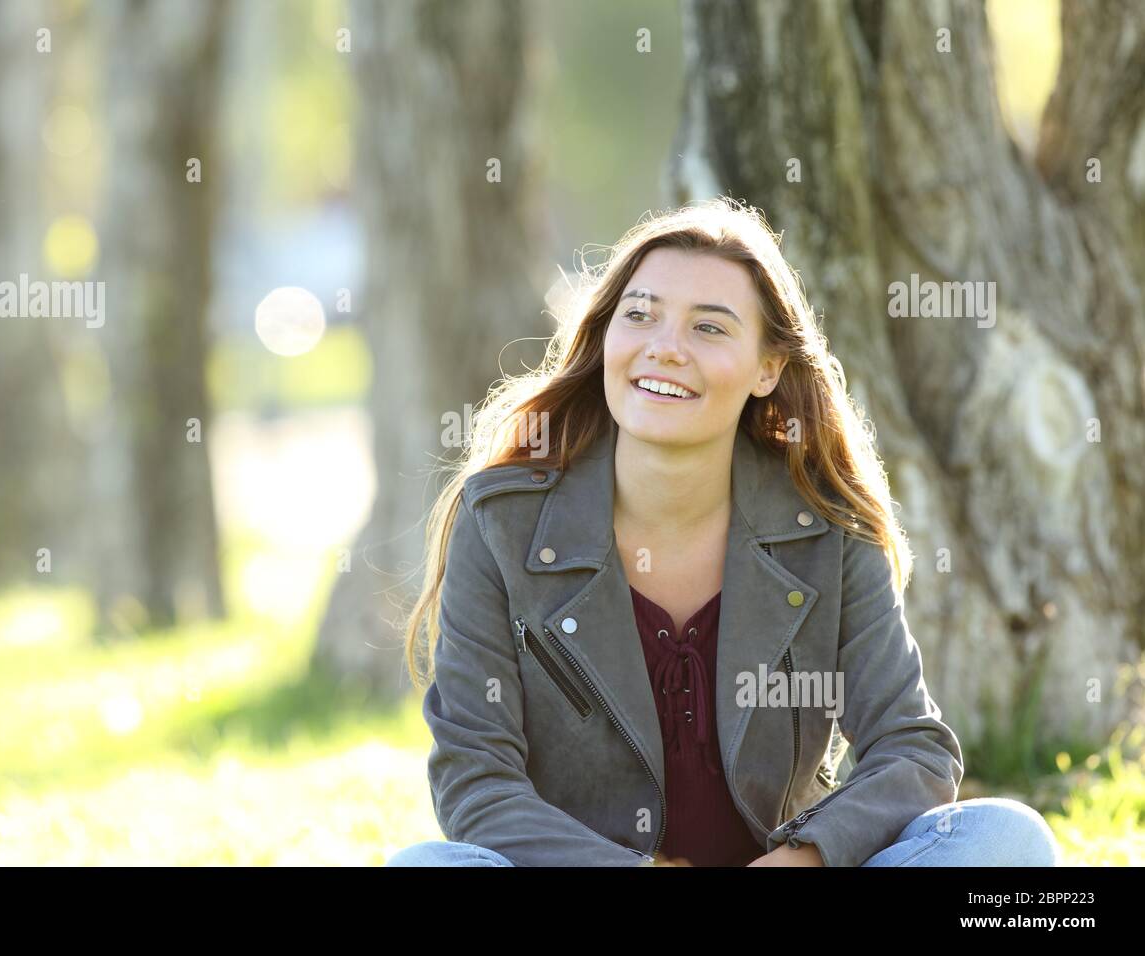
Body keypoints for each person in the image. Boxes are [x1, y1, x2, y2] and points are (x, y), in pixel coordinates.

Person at [388, 198, 1060, 867]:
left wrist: (805, 857)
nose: (666, 348)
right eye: (641, 315)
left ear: (767, 368)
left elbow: (912, 748)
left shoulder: (827, 528)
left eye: (709, 328)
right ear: (606, 339)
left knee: (1007, 838)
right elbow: (477, 785)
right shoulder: (500, 523)